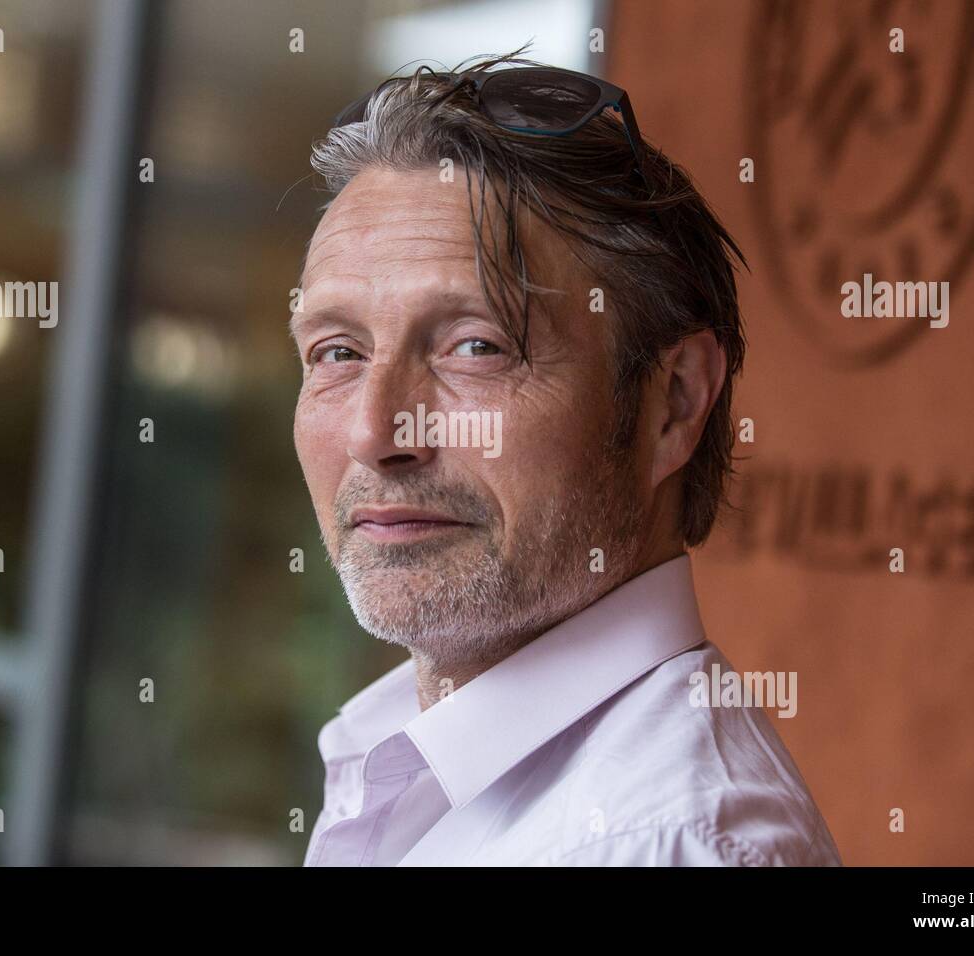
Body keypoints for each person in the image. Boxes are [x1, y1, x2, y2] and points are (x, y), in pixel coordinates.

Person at [289, 53, 841, 866]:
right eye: (338, 353)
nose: (376, 432)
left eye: (476, 346)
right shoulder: (402, 760)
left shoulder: (668, 845)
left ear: (675, 402)